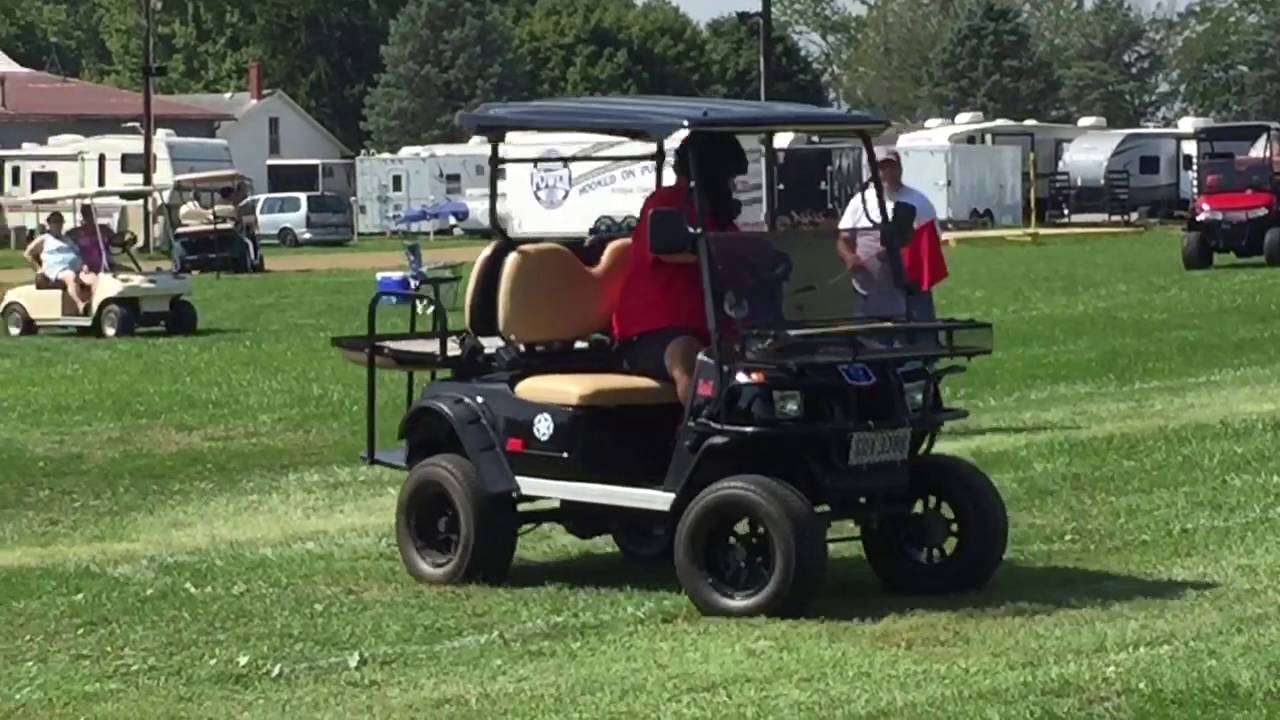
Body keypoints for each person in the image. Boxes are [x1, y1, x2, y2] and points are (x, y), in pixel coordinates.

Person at [613, 132, 748, 404]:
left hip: (716, 330)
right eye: (727, 179)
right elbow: (675, 252)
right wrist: (712, 253)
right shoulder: (666, 204)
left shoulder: (715, 215)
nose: (732, 188)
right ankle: (700, 434)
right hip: (651, 337)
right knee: (689, 356)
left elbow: (740, 252)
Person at [836, 149, 948, 321]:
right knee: (871, 340)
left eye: (891, 167)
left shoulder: (918, 201)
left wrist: (900, 252)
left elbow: (930, 244)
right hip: (869, 288)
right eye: (881, 168)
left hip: (909, 290)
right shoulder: (860, 201)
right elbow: (844, 240)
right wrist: (850, 257)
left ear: (900, 169)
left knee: (917, 339)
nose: (887, 173)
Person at [23, 212, 95, 313]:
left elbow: (77, 254)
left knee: (93, 278)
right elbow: (27, 254)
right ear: (49, 224)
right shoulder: (45, 239)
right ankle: (80, 305)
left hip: (74, 268)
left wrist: (83, 265)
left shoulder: (67, 239)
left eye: (60, 222)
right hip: (56, 270)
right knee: (70, 276)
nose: (58, 225)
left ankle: (96, 305)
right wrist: (39, 269)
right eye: (55, 222)